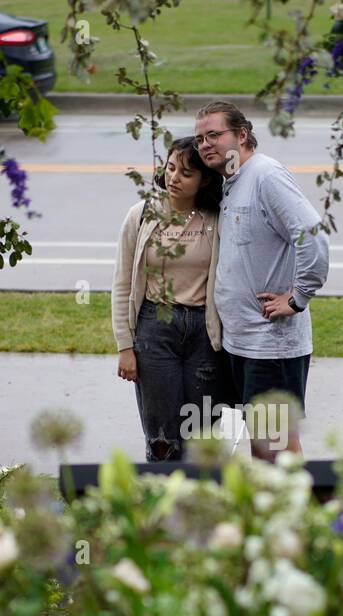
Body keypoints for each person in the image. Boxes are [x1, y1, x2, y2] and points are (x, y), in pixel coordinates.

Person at [193, 100, 330, 461]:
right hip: (242, 343)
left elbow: (312, 236)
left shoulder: (266, 176)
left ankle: (294, 513)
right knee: (263, 443)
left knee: (276, 446)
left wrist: (298, 297)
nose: (205, 144)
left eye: (214, 135)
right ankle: (280, 510)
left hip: (272, 347)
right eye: (199, 139)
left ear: (242, 134)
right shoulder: (232, 181)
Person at [111, 135, 232, 461]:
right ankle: (161, 505)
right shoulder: (141, 216)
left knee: (201, 433)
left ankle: (199, 505)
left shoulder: (216, 218)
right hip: (155, 328)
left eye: (186, 173)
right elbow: (123, 283)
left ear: (204, 179)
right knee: (162, 439)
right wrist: (125, 346)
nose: (174, 178)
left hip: (204, 333)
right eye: (170, 167)